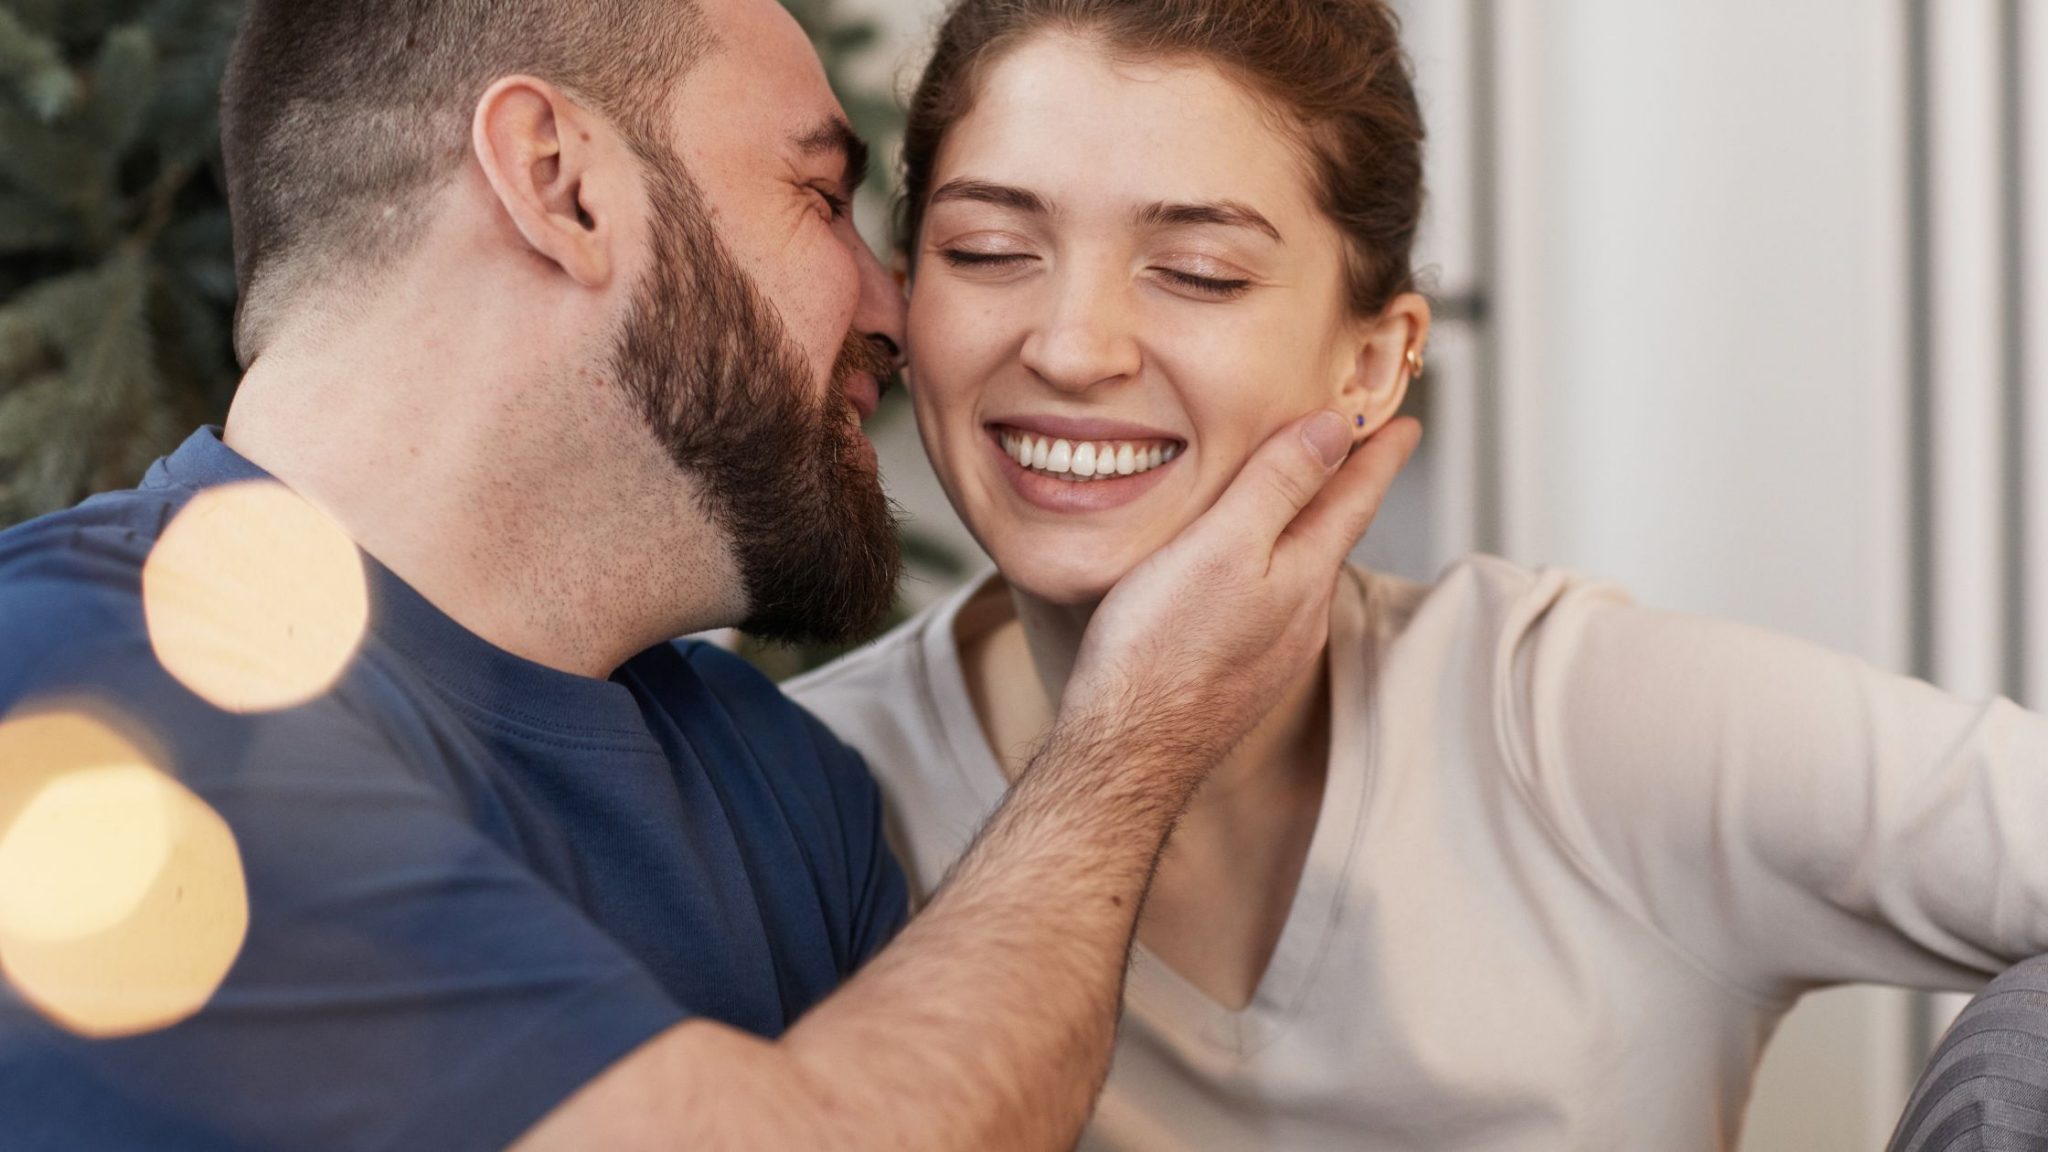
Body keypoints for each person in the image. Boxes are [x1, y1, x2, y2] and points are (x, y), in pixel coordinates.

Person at [0, 0, 1421, 1148]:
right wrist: (1131, 736)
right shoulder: (82, 684)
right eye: (819, 195)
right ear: (558, 183)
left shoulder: (778, 785)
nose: (898, 308)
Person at [786, 1, 2048, 1148]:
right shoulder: (800, 796)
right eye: (988, 249)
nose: (1070, 348)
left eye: (1199, 272)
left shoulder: (1579, 729)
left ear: (1372, 363)